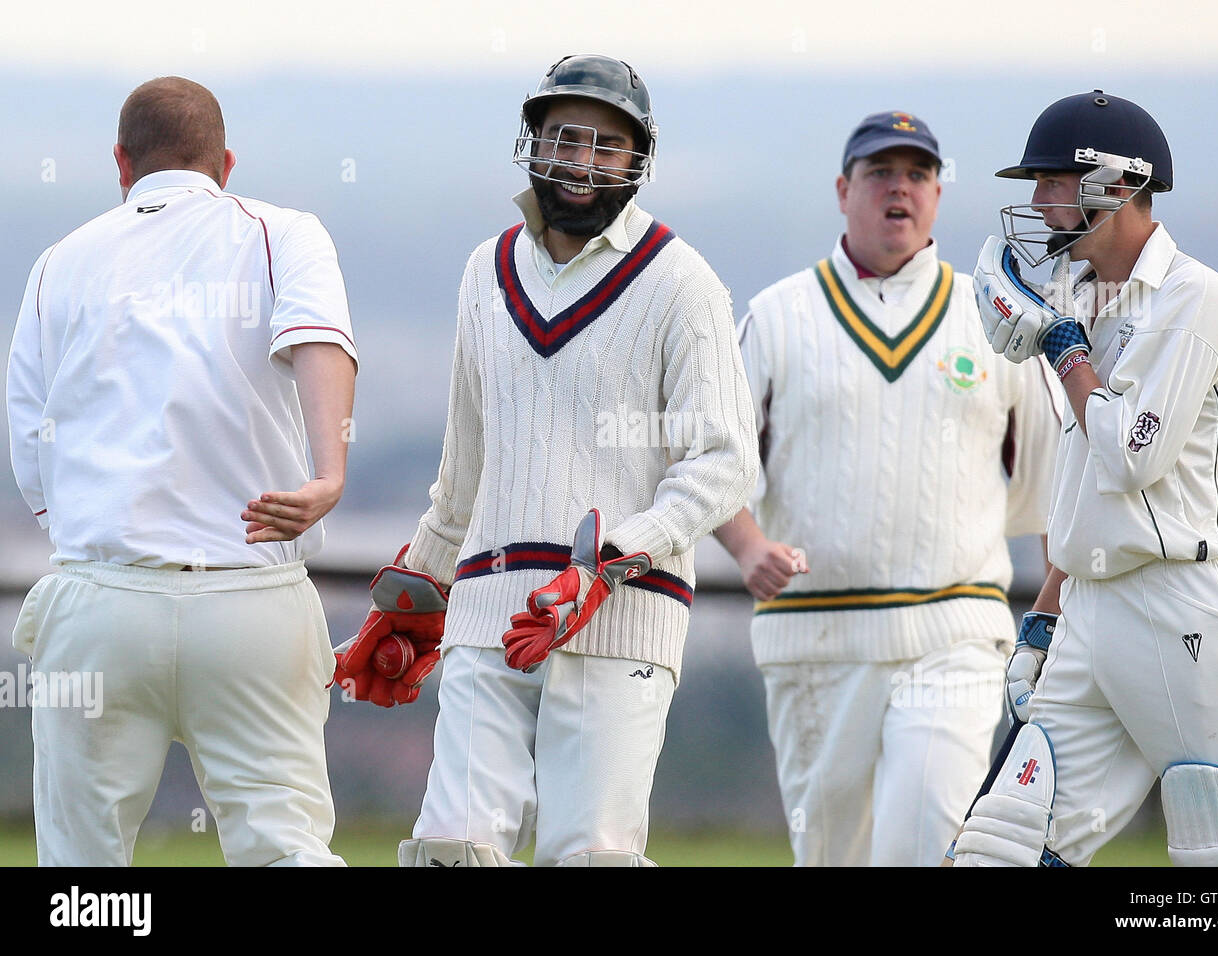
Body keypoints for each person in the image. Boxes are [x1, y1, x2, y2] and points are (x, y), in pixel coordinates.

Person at [333, 54, 758, 867]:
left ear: (637, 159)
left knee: (589, 855)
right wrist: (417, 589)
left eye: (606, 145)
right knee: (448, 850)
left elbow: (723, 461)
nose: (583, 161)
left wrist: (610, 561)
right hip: (488, 615)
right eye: (566, 138)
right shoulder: (483, 274)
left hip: (622, 622)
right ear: (534, 144)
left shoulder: (682, 283)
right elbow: (461, 479)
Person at [6, 76, 357, 866]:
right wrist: (329, 474)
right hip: (250, 598)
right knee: (283, 850)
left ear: (120, 163)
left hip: (98, 602)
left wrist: (96, 540)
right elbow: (319, 337)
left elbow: (30, 435)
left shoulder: (58, 262)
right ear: (225, 163)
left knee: (82, 871)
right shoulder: (284, 231)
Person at [713, 111, 1063, 866]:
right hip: (816, 638)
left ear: (938, 195)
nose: (898, 189)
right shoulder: (776, 318)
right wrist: (746, 547)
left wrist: (1056, 615)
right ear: (844, 190)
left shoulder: (998, 322)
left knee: (926, 844)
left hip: (956, 633)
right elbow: (713, 462)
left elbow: (1053, 484)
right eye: (879, 173)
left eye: (917, 174)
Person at [955, 91, 1218, 866]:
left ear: (1112, 184)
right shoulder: (1077, 296)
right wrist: (1046, 612)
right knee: (1000, 847)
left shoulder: (1191, 298)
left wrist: (1064, 350)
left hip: (1187, 611)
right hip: (1091, 608)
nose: (1036, 203)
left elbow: (1130, 455)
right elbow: (1084, 485)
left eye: (1049, 182)